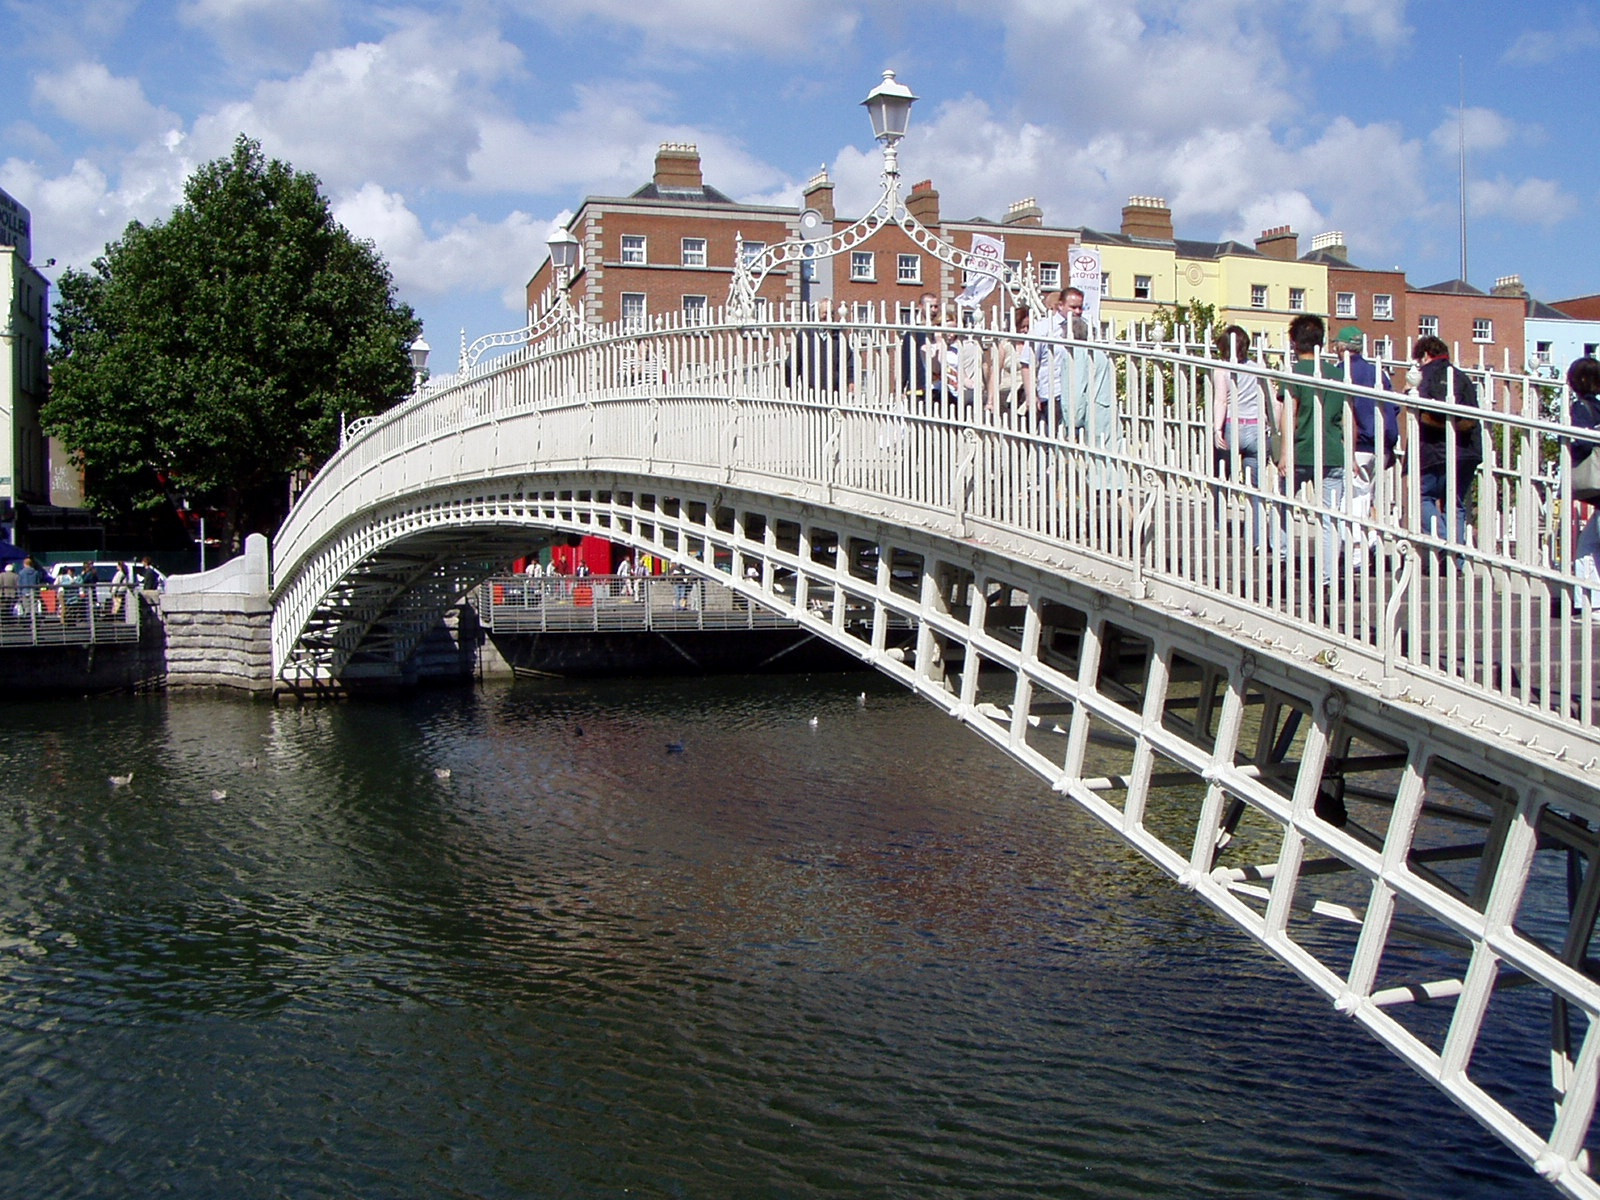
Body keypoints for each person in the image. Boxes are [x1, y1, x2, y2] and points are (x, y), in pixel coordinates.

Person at [1278, 314, 1350, 590]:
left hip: (1301, 450)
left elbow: (1289, 414)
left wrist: (1285, 453)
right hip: (1333, 453)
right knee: (1330, 519)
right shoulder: (1337, 374)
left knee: (1282, 507)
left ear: (1294, 342)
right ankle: (1328, 578)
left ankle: (1284, 558)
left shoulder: (1294, 372)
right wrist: (1351, 455)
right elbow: (1348, 417)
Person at [1331, 326, 1399, 553]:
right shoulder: (1378, 373)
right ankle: (1372, 543)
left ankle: (1357, 553)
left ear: (1340, 348)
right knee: (1370, 497)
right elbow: (1394, 408)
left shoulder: (1341, 372)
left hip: (1356, 445)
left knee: (1354, 498)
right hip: (1381, 445)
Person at [1409, 335, 1482, 546]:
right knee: (1455, 504)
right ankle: (1456, 557)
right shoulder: (1462, 377)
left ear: (1425, 356)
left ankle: (1443, 542)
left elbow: (1425, 411)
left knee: (1423, 497)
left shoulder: (1425, 375)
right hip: (1468, 450)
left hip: (1435, 450)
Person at [1210, 325, 1270, 546]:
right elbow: (1268, 398)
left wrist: (1217, 428)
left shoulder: (1221, 369)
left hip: (1233, 426)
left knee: (1221, 477)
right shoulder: (1257, 367)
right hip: (1256, 427)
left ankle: (1219, 521)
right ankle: (1255, 537)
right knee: (1254, 488)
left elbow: (1221, 400)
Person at [1565, 357, 1600, 608]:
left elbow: (1584, 442)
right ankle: (1588, 602)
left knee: (1590, 545)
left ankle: (1590, 603)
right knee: (1588, 545)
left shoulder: (1581, 408)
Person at [988, 306, 1036, 423]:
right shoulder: (1005, 345)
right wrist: (990, 400)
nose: (1025, 330)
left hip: (1030, 394)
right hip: (1008, 393)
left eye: (1028, 327)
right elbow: (995, 372)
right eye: (1022, 327)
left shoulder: (1035, 345)